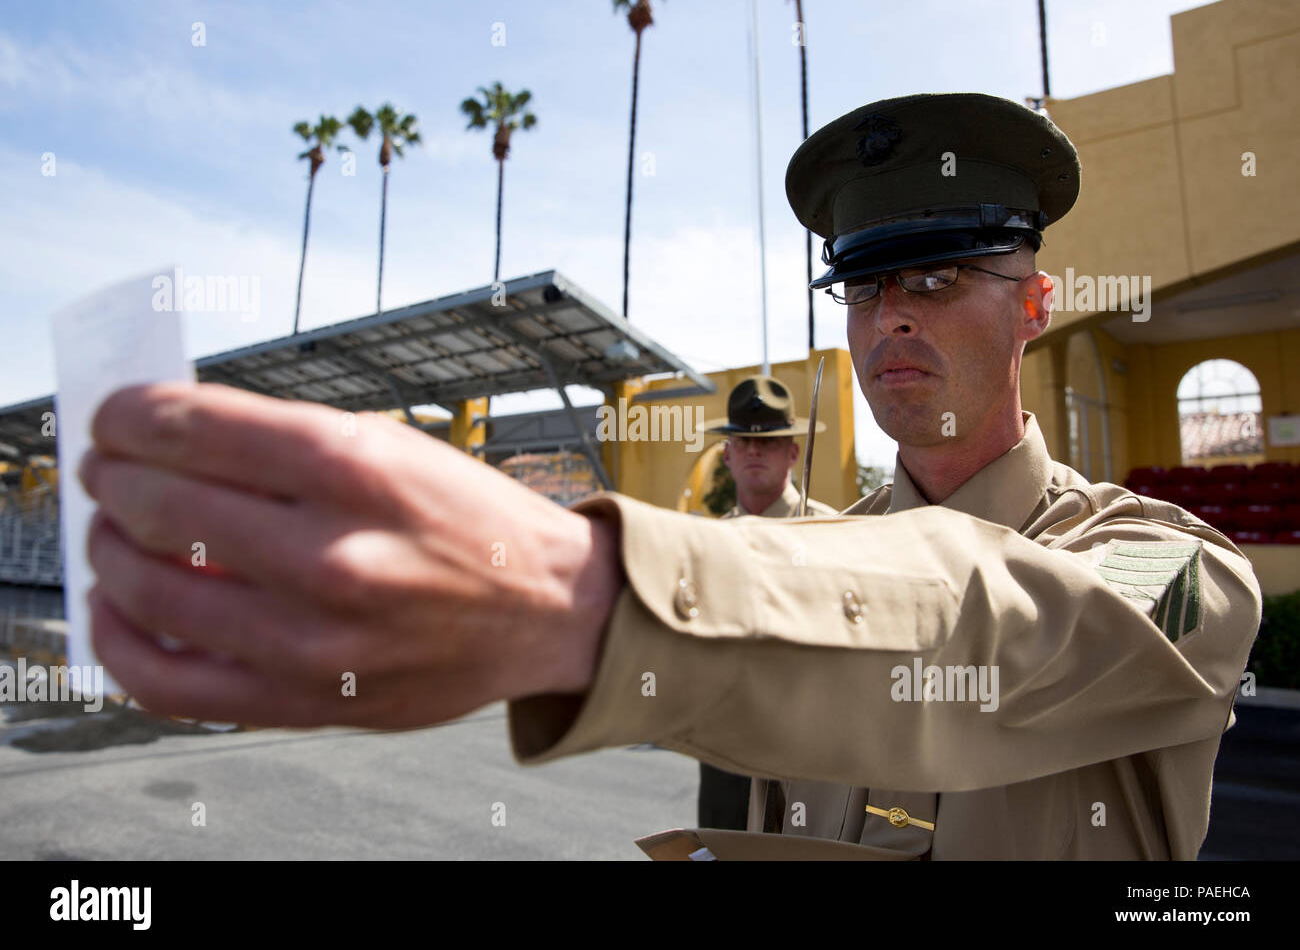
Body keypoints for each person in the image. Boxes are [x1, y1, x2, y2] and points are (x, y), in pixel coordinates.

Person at [80, 93, 1262, 859]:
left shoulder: (1170, 559)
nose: (892, 317)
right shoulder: (806, 556)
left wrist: (582, 594)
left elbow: (1022, 620)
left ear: (1034, 308)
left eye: (942, 276)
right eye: (863, 289)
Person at [695, 375, 834, 831]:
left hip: (813, 752)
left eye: (769, 443)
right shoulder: (704, 545)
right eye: (743, 442)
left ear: (794, 452)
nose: (754, 451)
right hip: (726, 752)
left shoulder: (836, 534)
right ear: (727, 454)